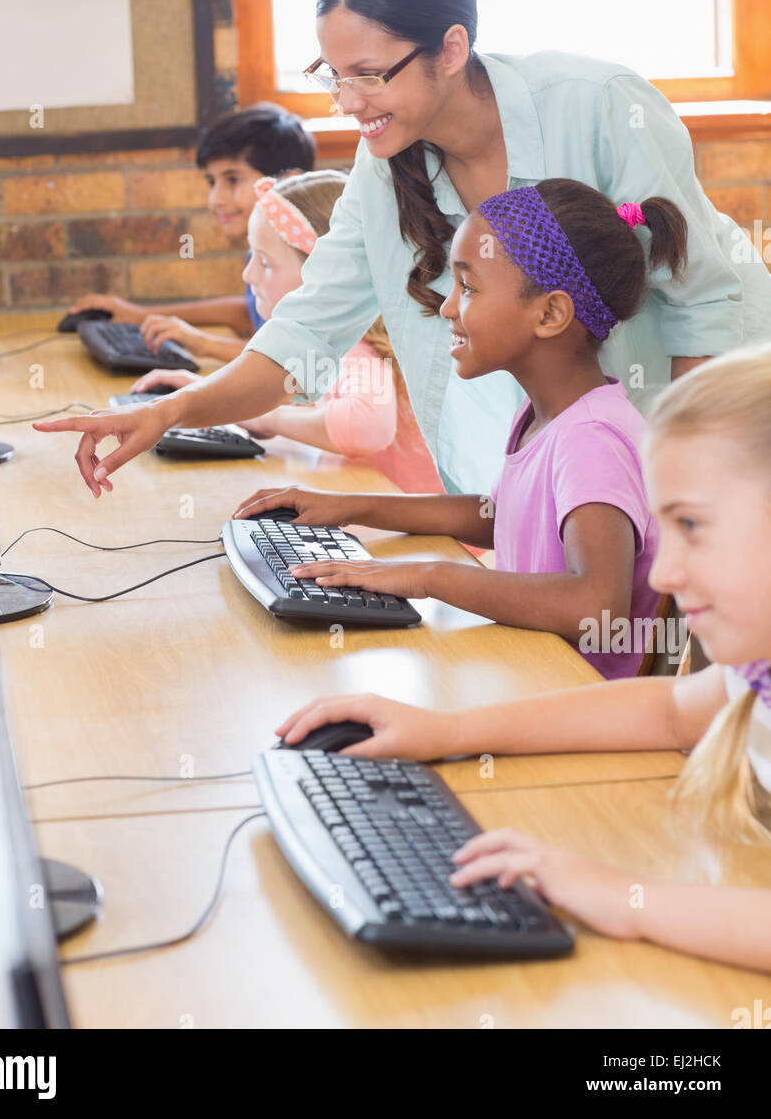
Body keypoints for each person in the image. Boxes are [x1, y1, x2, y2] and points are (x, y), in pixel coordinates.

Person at [34, 0, 771, 496]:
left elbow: (700, 303)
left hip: (708, 429)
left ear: (451, 49)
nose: (349, 103)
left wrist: (681, 490)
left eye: (370, 75)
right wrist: (171, 410)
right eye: (332, 76)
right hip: (560, 470)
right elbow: (306, 332)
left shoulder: (600, 105)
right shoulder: (384, 166)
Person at [274, 345, 771, 971]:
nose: (666, 570)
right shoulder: (754, 677)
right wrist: (446, 731)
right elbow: (671, 709)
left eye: (694, 526)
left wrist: (629, 899)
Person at [233, 179, 688, 676]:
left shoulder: (591, 438)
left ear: (551, 313)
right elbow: (504, 516)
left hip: (577, 705)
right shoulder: (547, 415)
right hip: (534, 674)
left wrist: (426, 577)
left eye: (468, 286)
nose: (448, 307)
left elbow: (594, 608)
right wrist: (350, 508)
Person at [138, 170, 442, 493]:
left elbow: (367, 426)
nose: (248, 274)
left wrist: (265, 417)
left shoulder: (356, 346)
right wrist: (215, 397)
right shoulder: (330, 343)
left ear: (325, 275)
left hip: (426, 543)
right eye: (251, 256)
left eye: (265, 263)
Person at [67, 103, 315, 363]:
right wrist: (140, 315)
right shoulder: (264, 248)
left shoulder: (304, 259)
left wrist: (200, 343)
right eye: (211, 182)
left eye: (232, 180)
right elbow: (250, 312)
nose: (215, 200)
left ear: (287, 181)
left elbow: (292, 357)